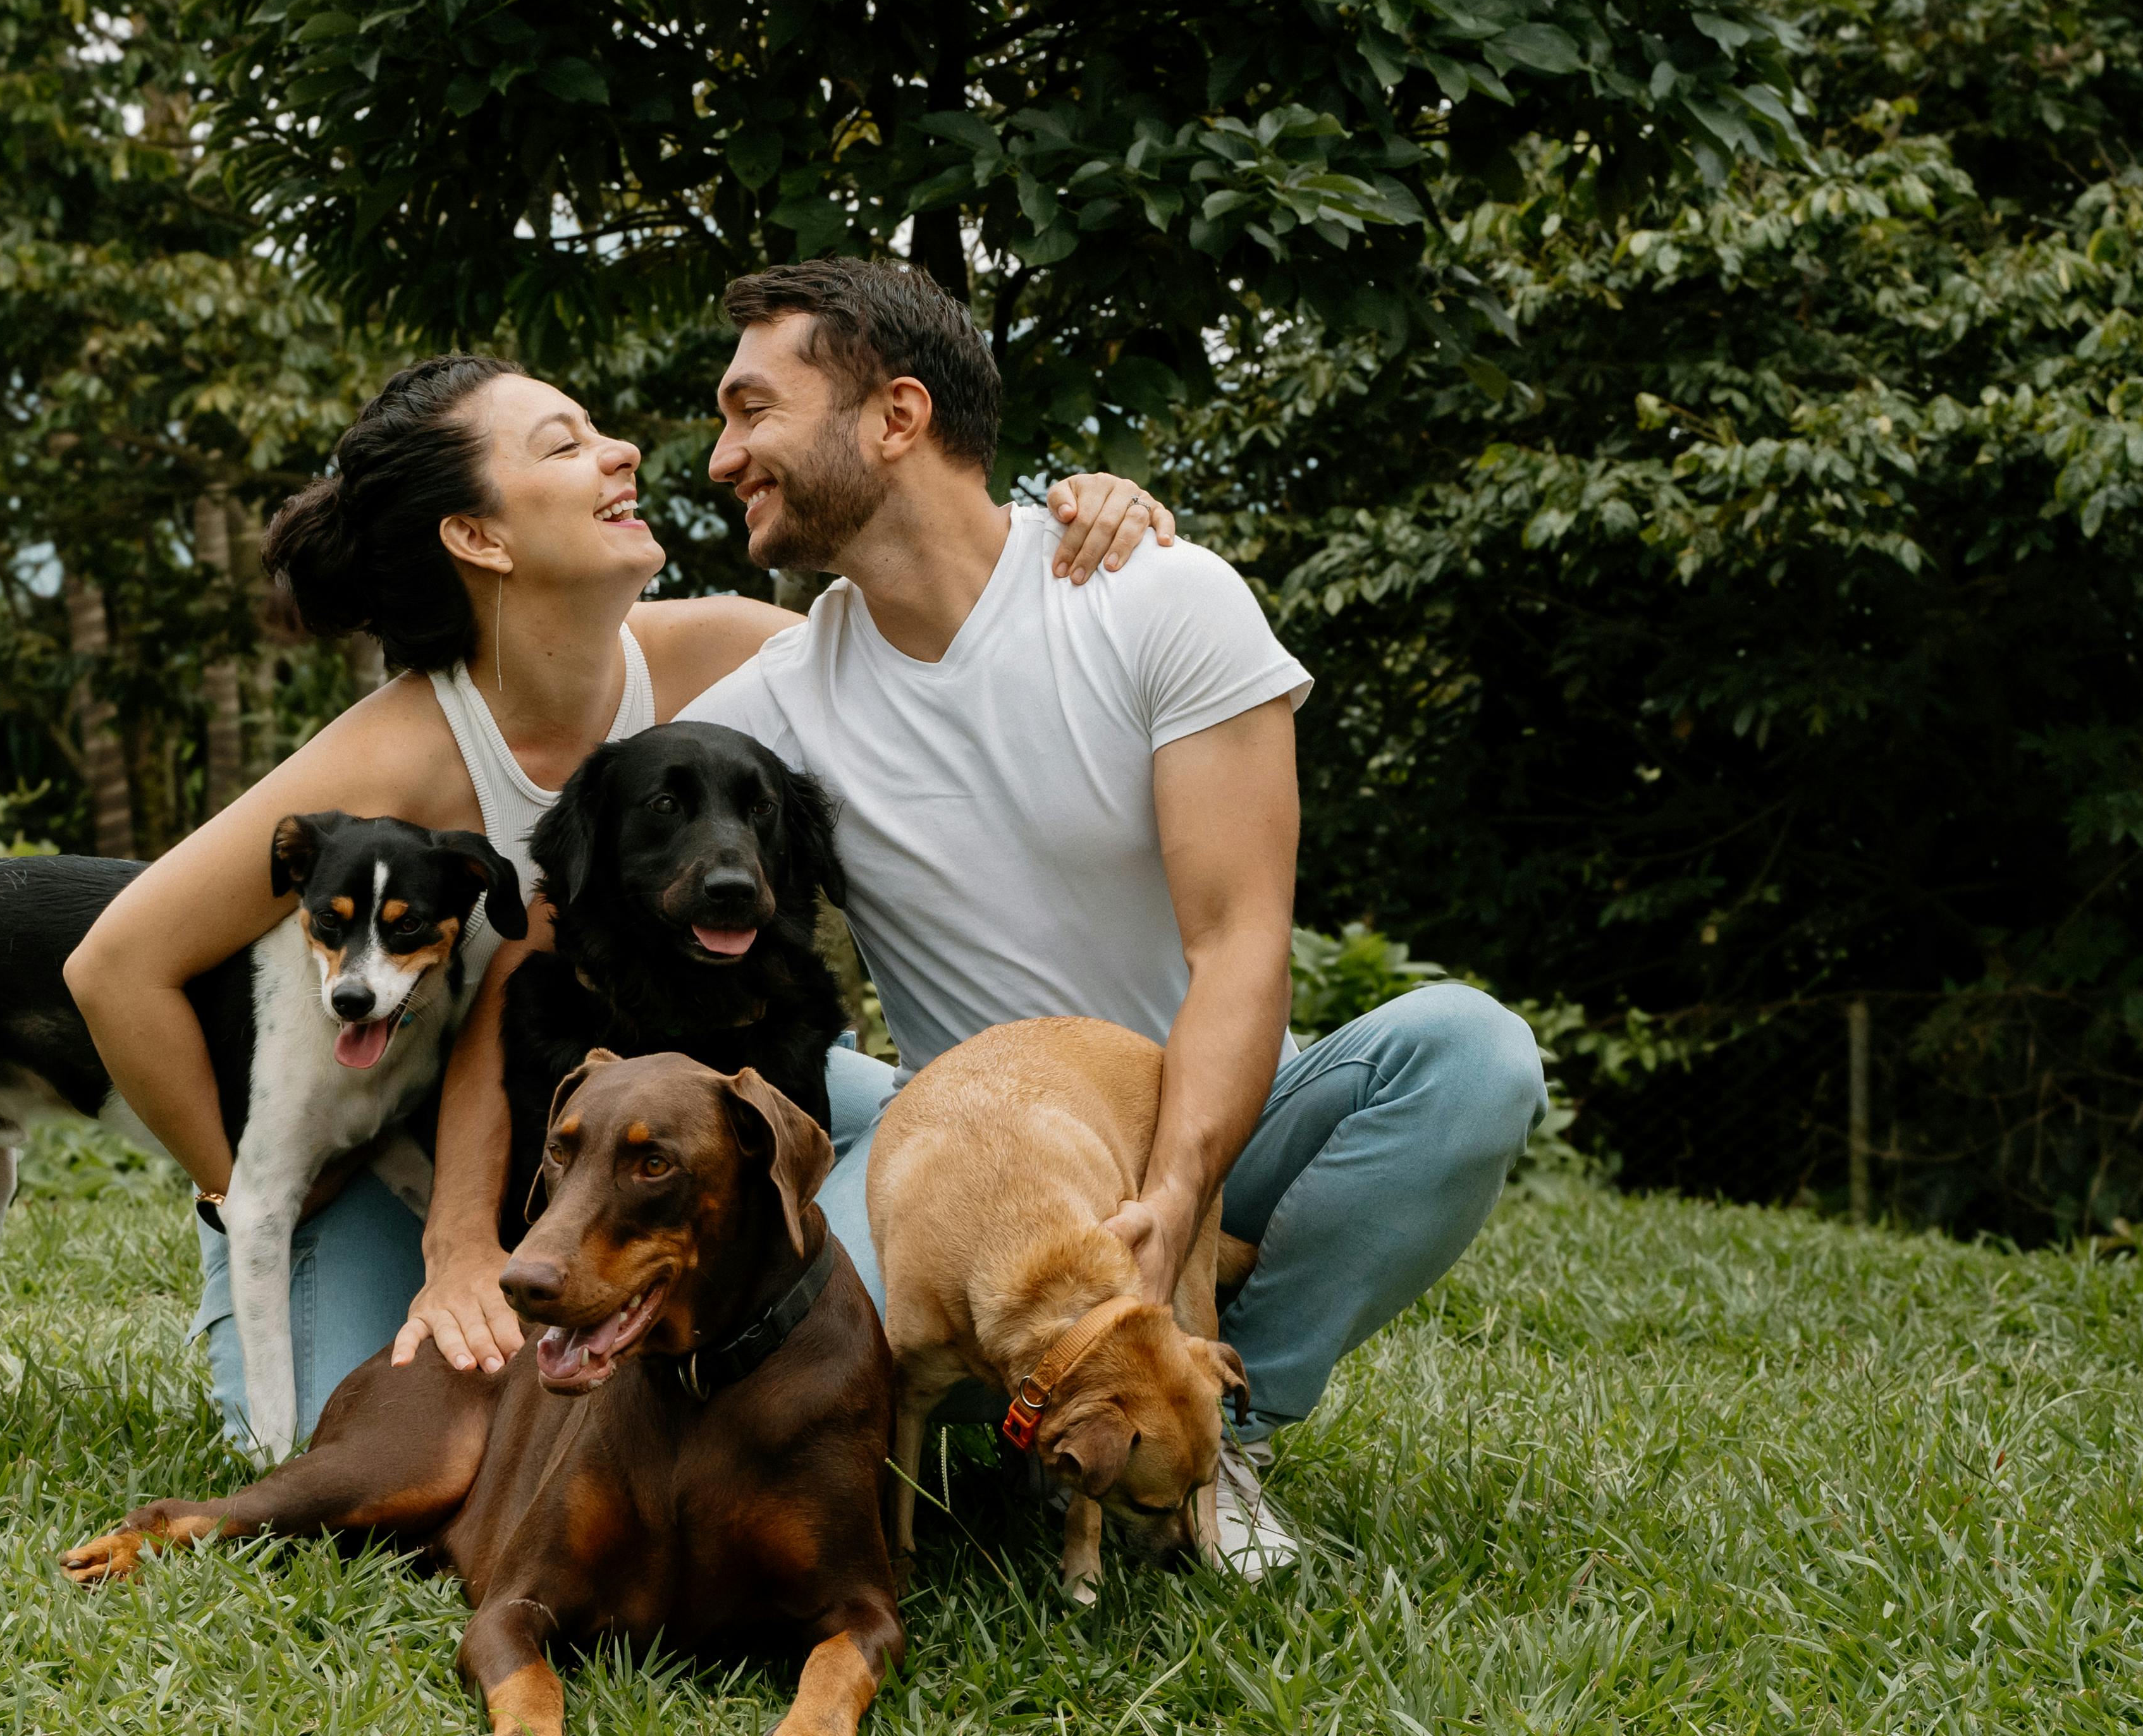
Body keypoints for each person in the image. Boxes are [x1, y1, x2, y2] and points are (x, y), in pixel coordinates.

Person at [400, 261, 1551, 1577]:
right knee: (787, 1370)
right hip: (960, 1172)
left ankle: (1211, 1423)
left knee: (1469, 1056)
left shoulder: (1157, 597)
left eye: (751, 411)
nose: (720, 458)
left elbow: (1241, 946)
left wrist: (1172, 1199)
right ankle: (1014, 1424)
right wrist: (457, 1239)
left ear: (894, 415)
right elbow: (560, 922)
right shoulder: (782, 706)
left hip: (1205, 1120)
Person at [60, 353, 1173, 1445]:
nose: (622, 450)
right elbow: (113, 970)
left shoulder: (727, 650)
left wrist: (1073, 522)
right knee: (356, 1436)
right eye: (567, 443)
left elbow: (951, 655)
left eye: (600, 429)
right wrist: (250, 1190)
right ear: (479, 537)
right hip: (399, 1149)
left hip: (694, 1095)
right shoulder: (393, 756)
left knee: (874, 1295)